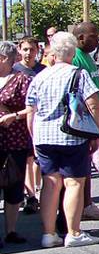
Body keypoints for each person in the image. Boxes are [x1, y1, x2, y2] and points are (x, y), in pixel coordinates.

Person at [25, 32, 99, 248]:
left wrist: (34, 136)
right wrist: (97, 132)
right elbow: (94, 104)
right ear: (71, 52)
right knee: (74, 182)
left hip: (43, 136)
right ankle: (74, 232)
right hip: (71, 135)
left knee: (50, 183)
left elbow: (31, 111)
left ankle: (49, 234)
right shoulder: (77, 74)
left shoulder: (40, 76)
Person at [71, 21, 99, 221]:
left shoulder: (88, 57)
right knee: (83, 167)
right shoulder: (76, 58)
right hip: (85, 122)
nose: (97, 40)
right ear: (80, 38)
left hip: (95, 119)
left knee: (87, 166)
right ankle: (84, 205)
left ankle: (86, 203)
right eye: (94, 36)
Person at [0, 41, 33, 247]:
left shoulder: (22, 80)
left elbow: (31, 107)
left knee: (13, 186)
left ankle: (11, 231)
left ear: (4, 58)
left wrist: (14, 116)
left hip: (14, 140)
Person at [14, 36, 44, 214]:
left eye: (31, 49)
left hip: (40, 119)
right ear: (19, 50)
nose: (28, 53)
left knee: (37, 159)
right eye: (25, 49)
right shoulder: (15, 70)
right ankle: (30, 195)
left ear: (37, 50)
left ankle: (38, 190)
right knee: (27, 159)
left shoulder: (42, 70)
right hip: (20, 121)